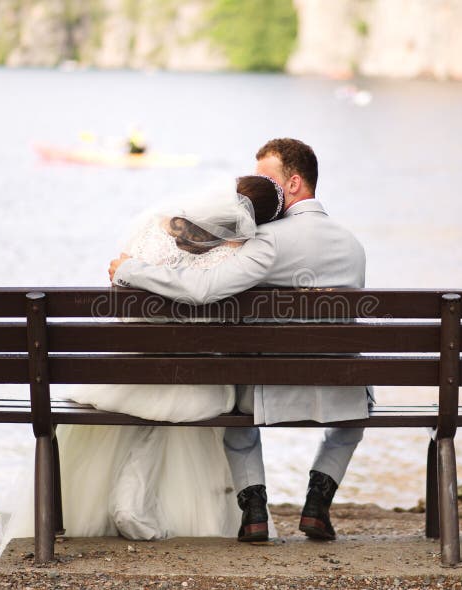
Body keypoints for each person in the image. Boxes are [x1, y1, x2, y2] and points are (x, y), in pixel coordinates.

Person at [0, 175, 285, 558]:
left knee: (152, 393)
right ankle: (135, 503)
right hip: (195, 386)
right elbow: (207, 305)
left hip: (122, 379)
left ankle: (117, 504)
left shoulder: (154, 227)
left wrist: (133, 276)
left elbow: (121, 291)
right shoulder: (238, 257)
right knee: (189, 394)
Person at [110, 138, 370, 543]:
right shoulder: (354, 245)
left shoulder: (269, 242)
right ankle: (318, 504)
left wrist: (134, 270)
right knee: (353, 421)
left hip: (269, 387)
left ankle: (254, 513)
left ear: (295, 183)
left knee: (236, 407)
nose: (250, 193)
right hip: (340, 386)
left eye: (266, 180)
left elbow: (202, 288)